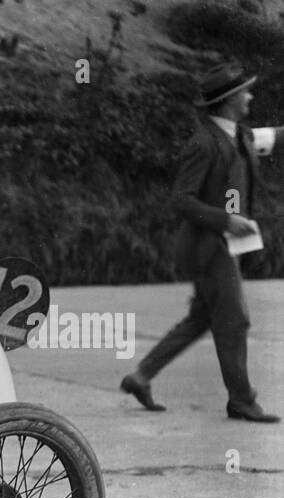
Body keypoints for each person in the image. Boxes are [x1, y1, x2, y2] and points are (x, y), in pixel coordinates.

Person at [120, 63, 283, 421]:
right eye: (246, 92)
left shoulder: (239, 135)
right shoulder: (204, 144)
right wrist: (226, 219)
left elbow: (274, 137)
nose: (251, 96)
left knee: (201, 319)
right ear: (228, 101)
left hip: (224, 246)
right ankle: (242, 399)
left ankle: (141, 375)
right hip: (209, 248)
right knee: (235, 320)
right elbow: (181, 199)